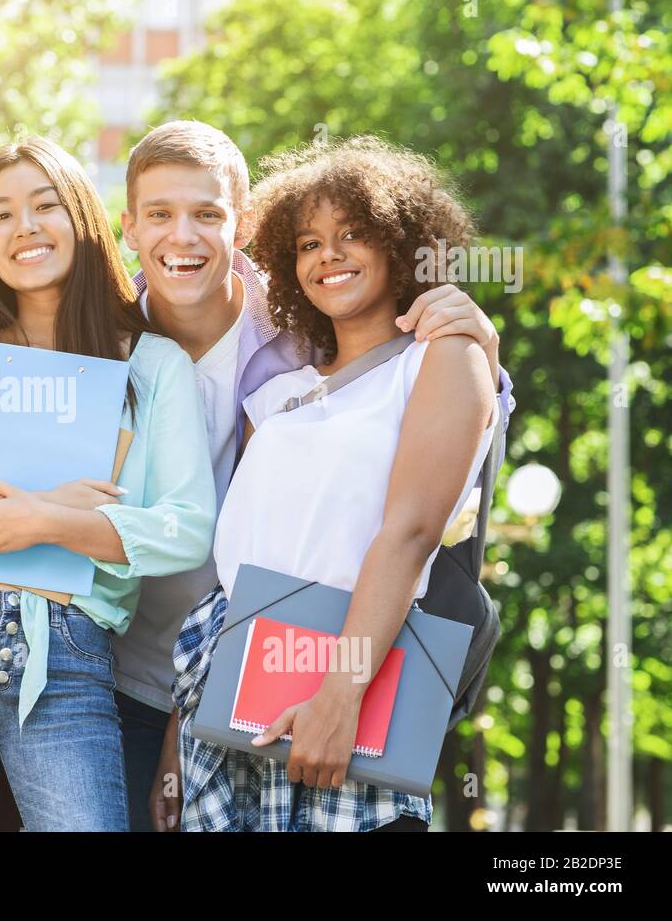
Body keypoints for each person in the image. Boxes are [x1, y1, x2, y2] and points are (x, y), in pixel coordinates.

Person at [112, 120, 516, 831]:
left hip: (354, 689)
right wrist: (182, 730)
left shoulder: (442, 358)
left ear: (400, 240)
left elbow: (411, 534)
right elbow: (231, 579)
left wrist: (340, 695)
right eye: (307, 243)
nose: (328, 256)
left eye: (352, 233)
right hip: (228, 698)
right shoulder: (275, 396)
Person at [0, 136, 216, 831]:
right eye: (0, 214)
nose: (24, 226)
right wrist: (43, 506)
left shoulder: (154, 366)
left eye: (44, 205)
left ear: (81, 217)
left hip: (67, 645)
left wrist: (47, 525)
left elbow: (186, 529)